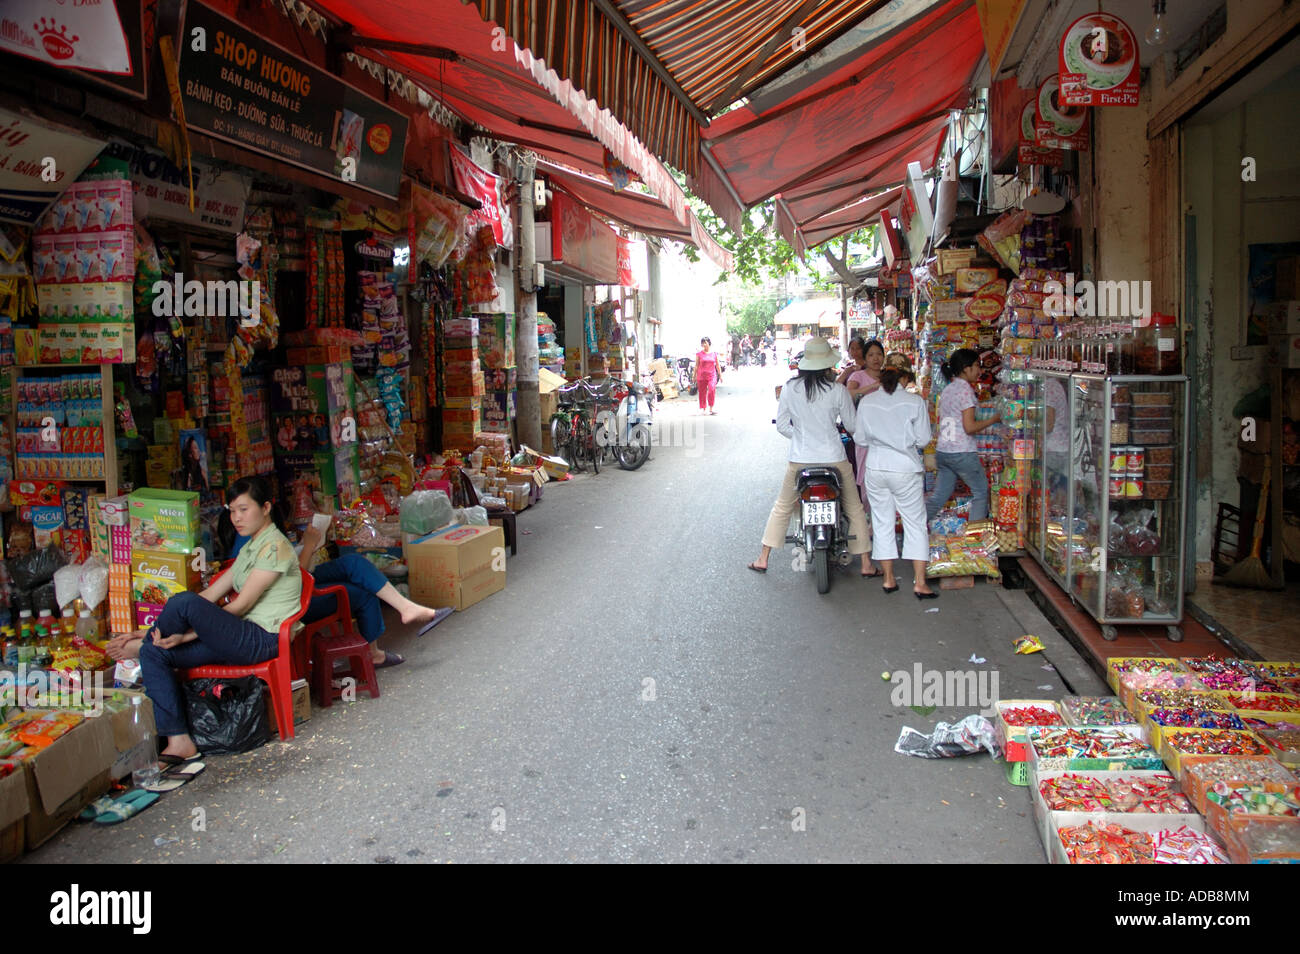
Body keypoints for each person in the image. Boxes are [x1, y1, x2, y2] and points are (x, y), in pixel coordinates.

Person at [115, 476, 304, 762]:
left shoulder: (275, 546)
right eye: (232, 510)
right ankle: (178, 740)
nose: (236, 518)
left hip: (262, 638)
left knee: (183, 602)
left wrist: (188, 635)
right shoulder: (250, 547)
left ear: (265, 508)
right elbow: (212, 594)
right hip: (237, 636)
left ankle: (156, 635)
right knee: (153, 651)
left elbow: (241, 605)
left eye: (243, 509)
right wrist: (148, 634)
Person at [218, 514, 453, 669]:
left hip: (298, 580)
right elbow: (290, 584)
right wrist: (309, 545)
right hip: (291, 600)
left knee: (353, 563)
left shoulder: (256, 537)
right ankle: (376, 652)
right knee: (363, 591)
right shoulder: (248, 544)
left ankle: (405, 608)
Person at [748, 338, 873, 576]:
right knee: (854, 507)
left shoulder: (789, 388)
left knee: (782, 507)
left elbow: (783, 426)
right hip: (834, 459)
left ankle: (763, 558)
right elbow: (852, 425)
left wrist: (802, 436)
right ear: (828, 365)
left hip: (800, 460)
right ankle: (866, 564)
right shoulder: (837, 390)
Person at [854, 366, 936, 599]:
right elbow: (923, 439)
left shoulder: (867, 403)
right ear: (903, 379)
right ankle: (920, 582)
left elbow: (860, 438)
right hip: (905, 468)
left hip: (877, 466)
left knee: (881, 521)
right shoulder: (914, 402)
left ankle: (889, 579)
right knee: (915, 522)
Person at [927, 348, 999, 524]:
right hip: (962, 452)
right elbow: (969, 427)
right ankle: (975, 540)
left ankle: (915, 527)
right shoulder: (965, 391)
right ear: (966, 368)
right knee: (981, 491)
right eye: (976, 366)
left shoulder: (948, 390)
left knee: (939, 496)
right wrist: (995, 419)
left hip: (944, 451)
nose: (979, 371)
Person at [695, 336, 721, 414]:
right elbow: (696, 365)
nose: (704, 345)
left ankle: (711, 408)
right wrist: (694, 376)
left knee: (712, 390)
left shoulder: (714, 354)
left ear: (709, 343)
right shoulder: (699, 354)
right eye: (702, 343)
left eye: (705, 343)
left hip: (712, 375)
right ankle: (703, 408)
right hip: (701, 375)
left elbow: (717, 365)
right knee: (702, 392)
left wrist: (720, 375)